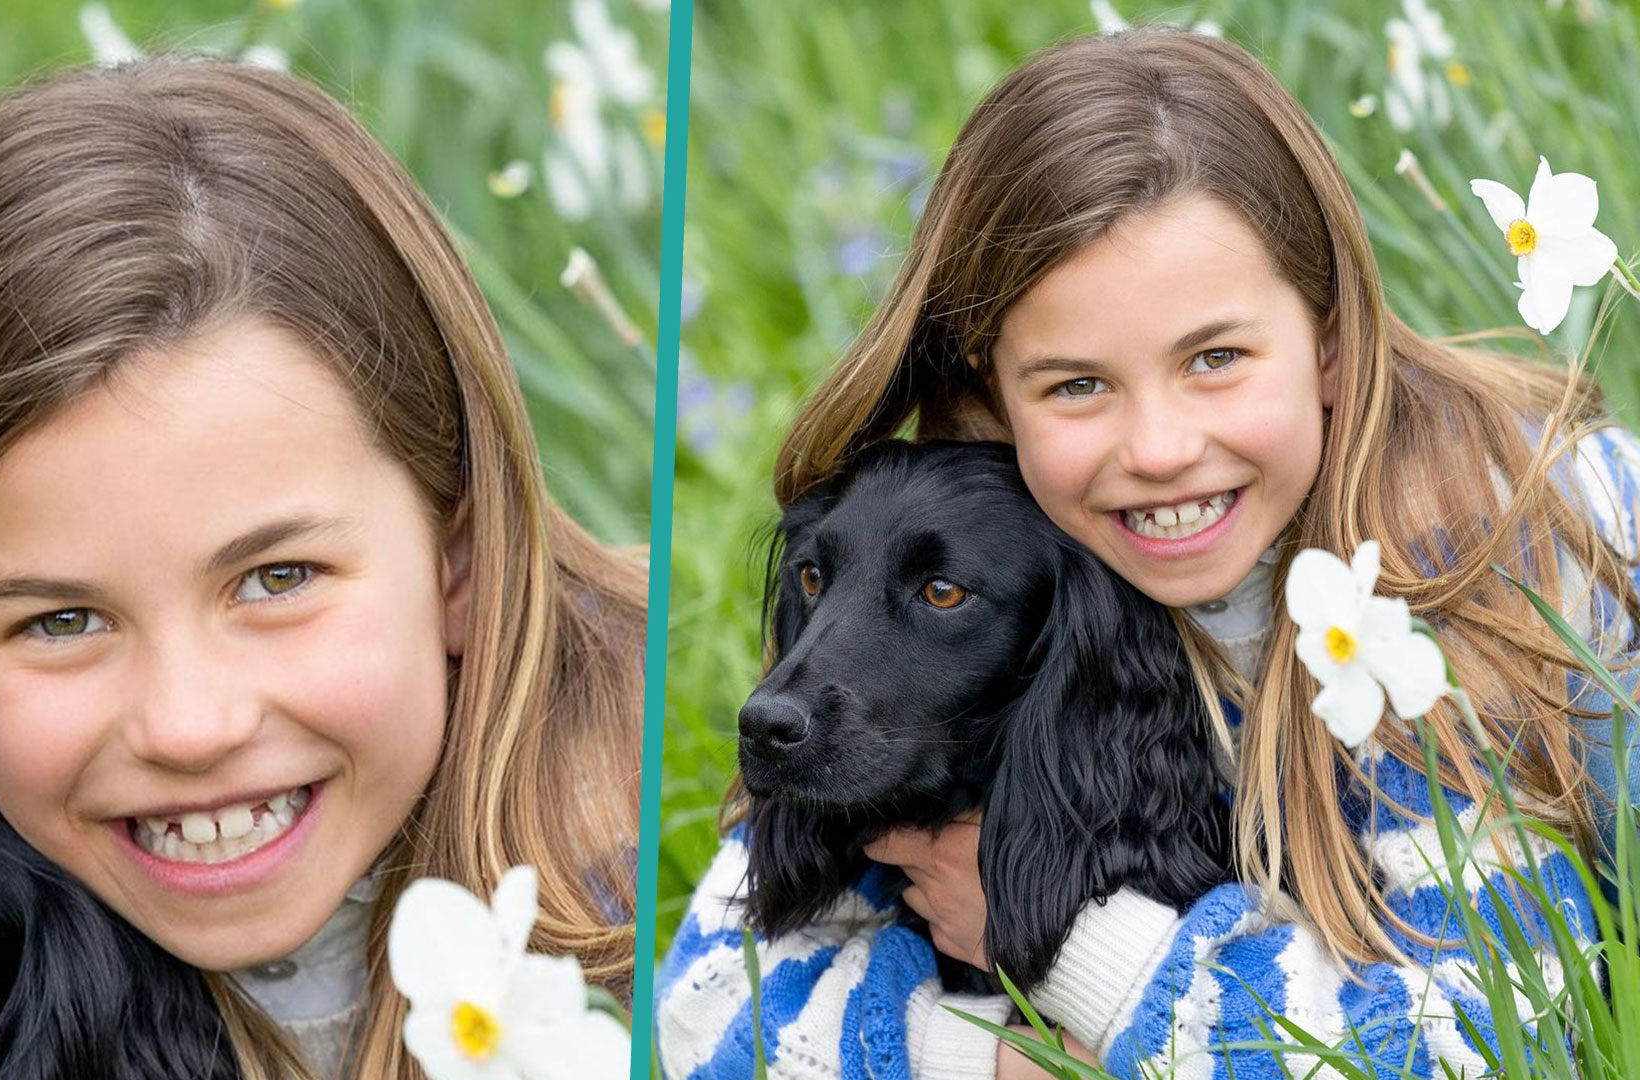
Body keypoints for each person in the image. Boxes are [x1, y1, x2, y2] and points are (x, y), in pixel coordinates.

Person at [657, 26, 1638, 1080]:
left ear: (1331, 343)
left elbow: (1483, 1035)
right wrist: (987, 1060)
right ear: (994, 397)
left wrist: (1086, 962)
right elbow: (704, 1006)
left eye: (1215, 358)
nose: (1161, 452)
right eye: (1078, 383)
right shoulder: (1016, 545)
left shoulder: (1486, 551)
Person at [0, 56, 645, 1080]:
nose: (190, 728)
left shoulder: (691, 915)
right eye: (62, 621)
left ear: (460, 564)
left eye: (278, 578)